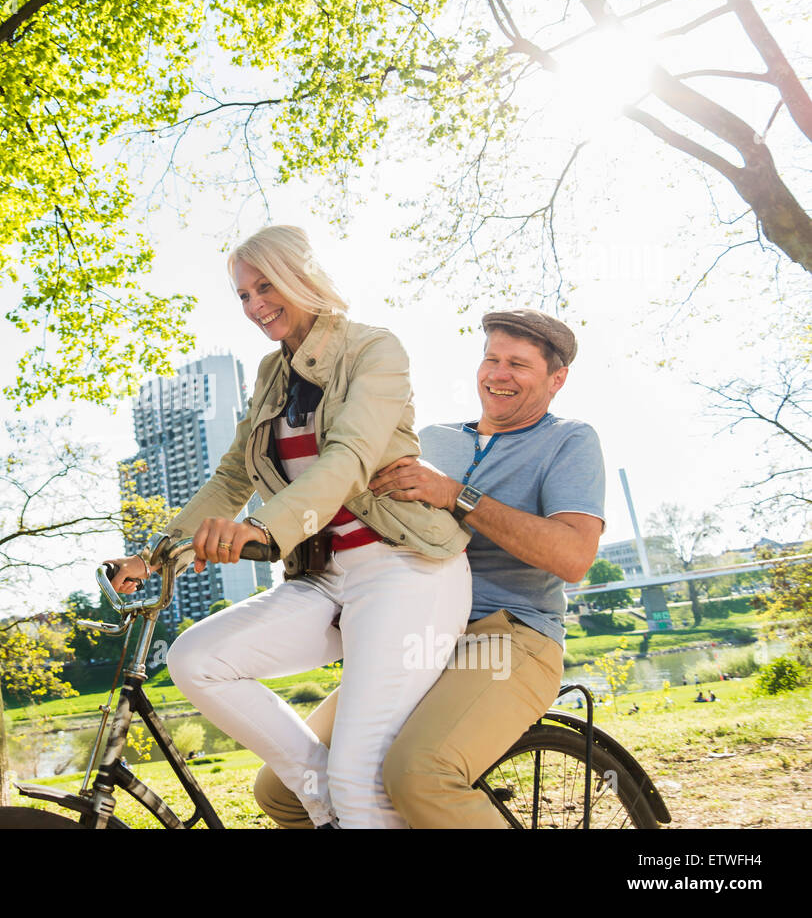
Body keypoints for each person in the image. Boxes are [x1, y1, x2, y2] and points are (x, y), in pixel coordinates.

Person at [103, 225, 471, 828]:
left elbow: (347, 459)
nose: (253, 306)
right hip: (326, 579)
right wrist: (157, 556)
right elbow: (230, 477)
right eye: (242, 295)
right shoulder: (271, 372)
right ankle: (325, 800)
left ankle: (349, 796)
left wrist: (264, 531)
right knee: (197, 660)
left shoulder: (375, 349)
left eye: (264, 286)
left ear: (303, 276)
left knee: (361, 780)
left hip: (405, 571)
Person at [254, 307, 606, 828]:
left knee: (419, 775)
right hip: (408, 635)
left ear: (557, 380)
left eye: (518, 364)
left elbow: (573, 556)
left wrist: (456, 496)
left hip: (504, 636)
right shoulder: (432, 439)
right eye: (491, 359)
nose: (498, 374)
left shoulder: (569, 440)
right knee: (285, 787)